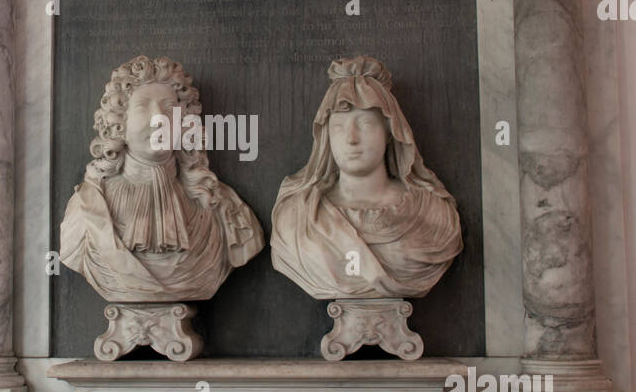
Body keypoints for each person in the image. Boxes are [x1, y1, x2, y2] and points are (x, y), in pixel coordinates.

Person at [60, 55, 263, 301]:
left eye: (169, 108)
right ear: (119, 125)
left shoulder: (223, 208)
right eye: (143, 106)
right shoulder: (88, 208)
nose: (159, 119)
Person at [270, 55, 462, 299]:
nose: (351, 138)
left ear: (390, 133)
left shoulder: (434, 216)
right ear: (326, 136)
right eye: (339, 127)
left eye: (366, 124)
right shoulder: (297, 220)